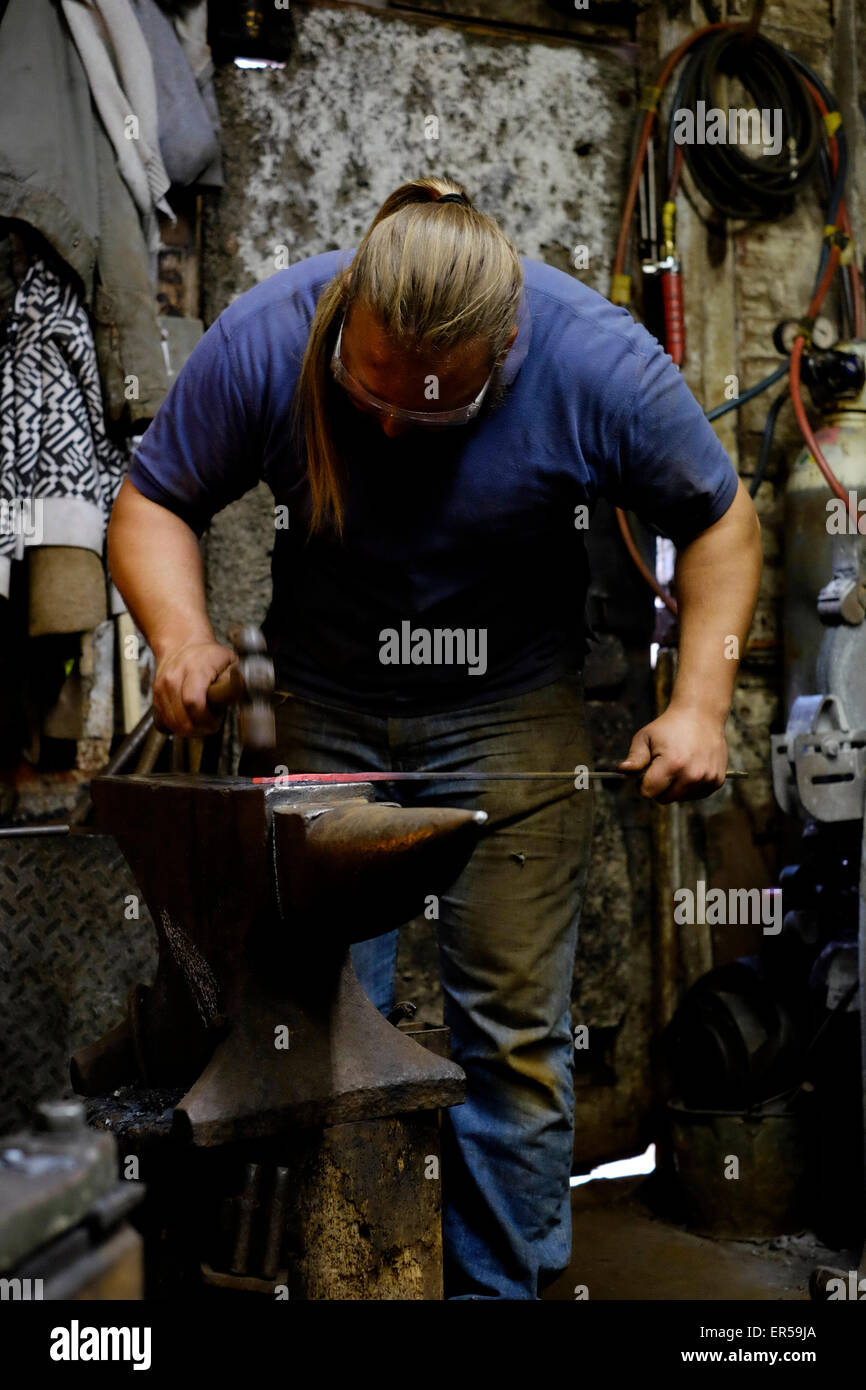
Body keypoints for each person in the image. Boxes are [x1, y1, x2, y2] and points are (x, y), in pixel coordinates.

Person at [107, 175, 762, 1300]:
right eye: (367, 397)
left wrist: (698, 701)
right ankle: (345, 1284)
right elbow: (154, 498)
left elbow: (717, 523)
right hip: (318, 704)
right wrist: (181, 637)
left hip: (512, 703)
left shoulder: (592, 363)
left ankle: (494, 1297)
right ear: (347, 306)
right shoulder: (270, 336)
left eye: (424, 414)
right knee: (309, 1039)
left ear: (503, 346)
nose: (386, 430)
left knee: (509, 1045)